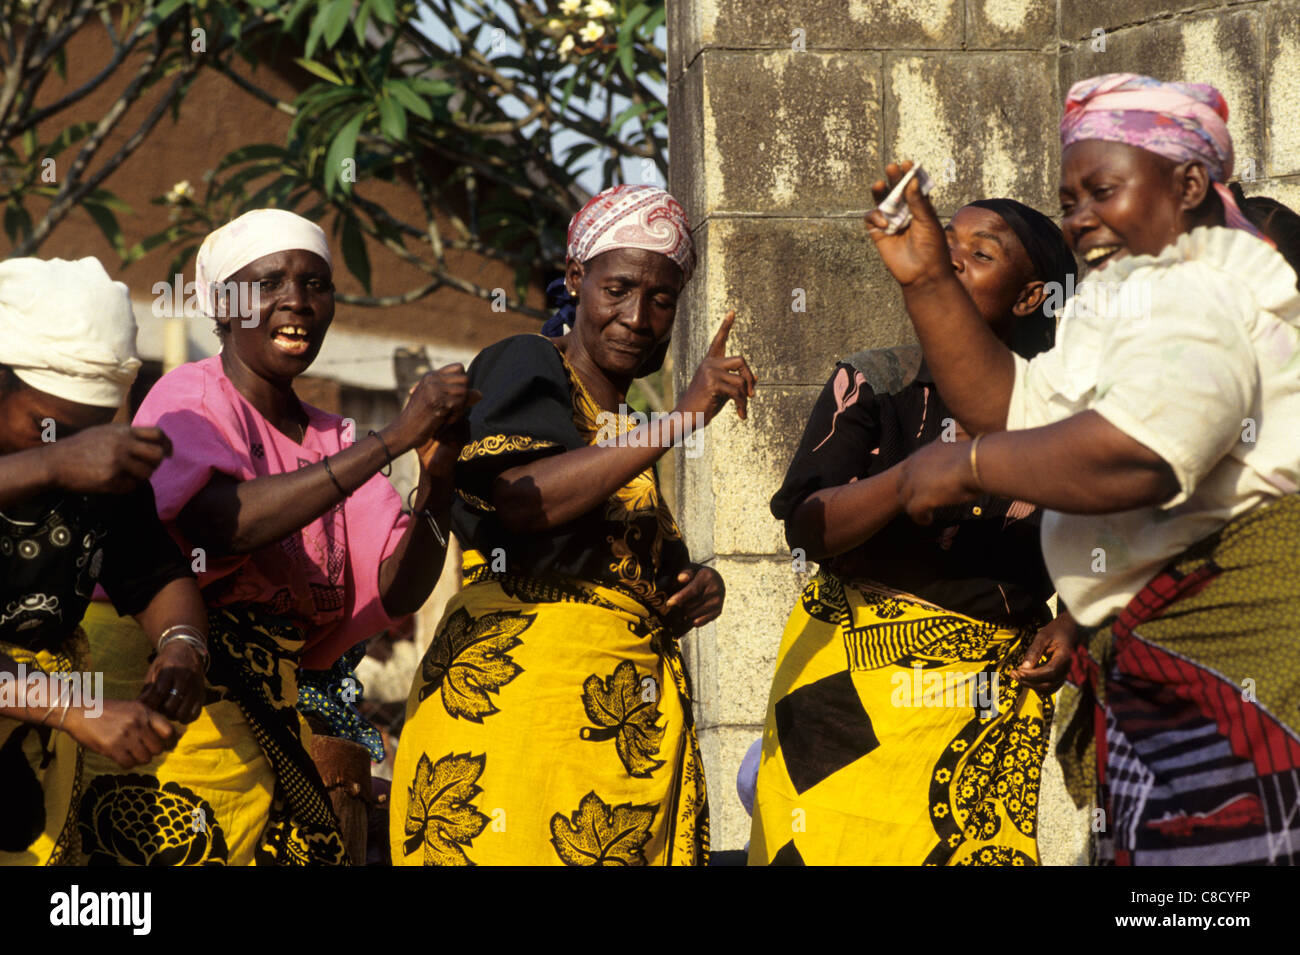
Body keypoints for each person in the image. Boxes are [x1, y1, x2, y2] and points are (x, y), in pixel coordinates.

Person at [867, 74, 1300, 865]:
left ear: (1191, 185)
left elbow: (1137, 455)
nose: (1080, 218)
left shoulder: (1200, 293)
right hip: (1170, 681)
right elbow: (1021, 408)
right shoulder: (1130, 303)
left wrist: (968, 466)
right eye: (1069, 200)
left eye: (1103, 190)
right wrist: (928, 280)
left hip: (1242, 672)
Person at [77, 209, 472, 866]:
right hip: (165, 704)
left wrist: (436, 478)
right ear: (222, 308)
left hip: (268, 720)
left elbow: (398, 587)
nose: (296, 300)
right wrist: (395, 438)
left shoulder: (335, 439)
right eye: (269, 282)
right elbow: (221, 522)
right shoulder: (189, 396)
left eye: (315, 283)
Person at [390, 184, 755, 866]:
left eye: (662, 299)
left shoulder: (621, 431)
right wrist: (680, 417)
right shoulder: (528, 362)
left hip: (617, 729)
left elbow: (622, 566)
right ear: (575, 279)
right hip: (521, 708)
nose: (638, 317)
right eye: (617, 289)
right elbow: (525, 501)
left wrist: (699, 587)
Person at [749, 199, 1076, 866]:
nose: (949, 259)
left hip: (984, 698)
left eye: (979, 255)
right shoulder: (875, 381)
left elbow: (1122, 533)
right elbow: (808, 528)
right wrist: (902, 485)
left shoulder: (1071, 416)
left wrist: (1073, 624)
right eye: (945, 244)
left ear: (1030, 297)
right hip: (840, 692)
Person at [0, 256, 208, 866]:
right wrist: (71, 707)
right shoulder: (71, 461)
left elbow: (155, 575)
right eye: (52, 428)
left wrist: (181, 645)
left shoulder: (100, 473)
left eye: (93, 430)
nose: (78, 451)